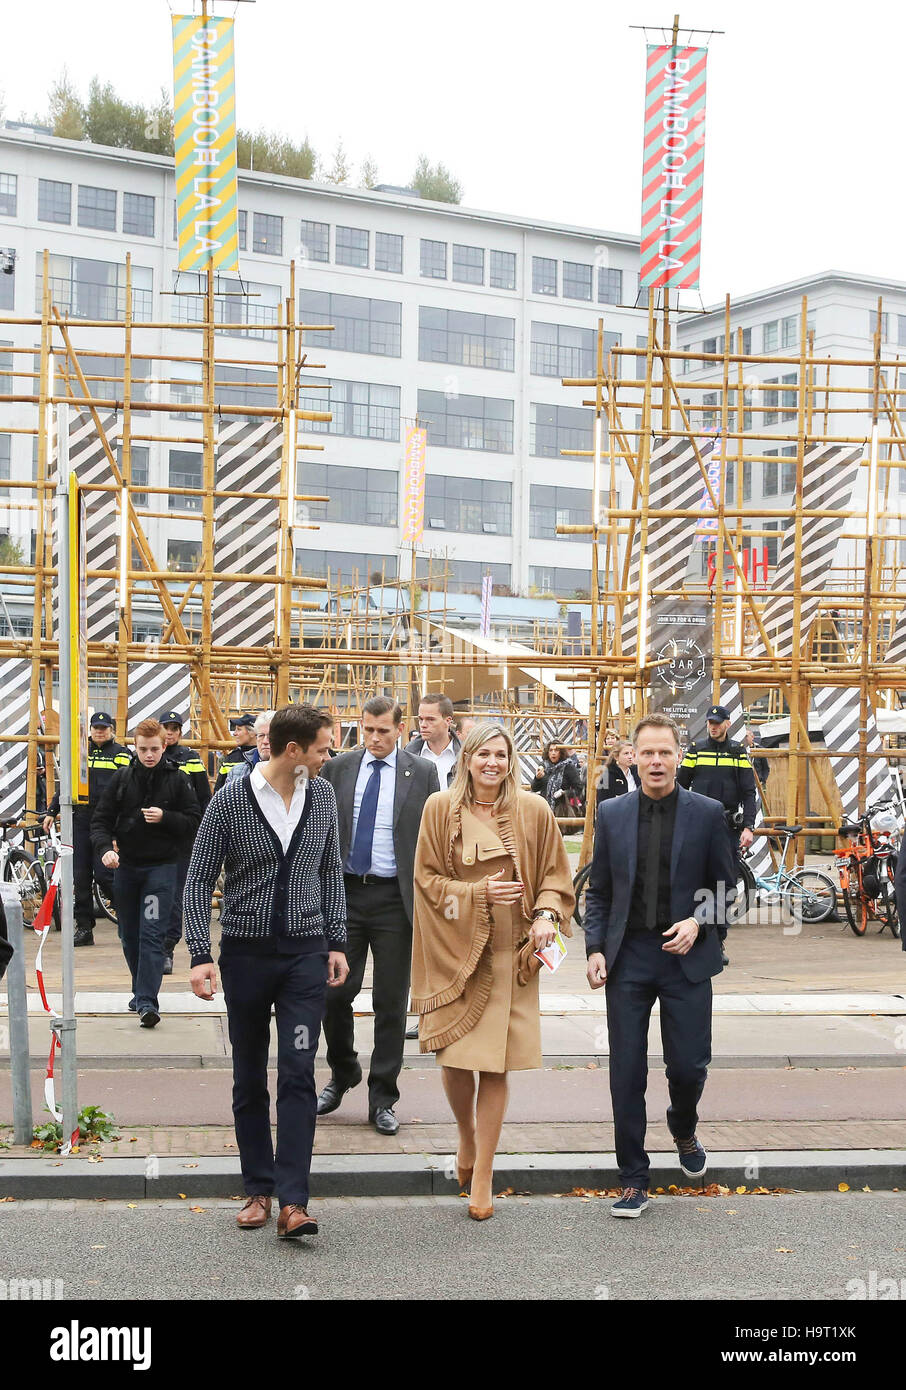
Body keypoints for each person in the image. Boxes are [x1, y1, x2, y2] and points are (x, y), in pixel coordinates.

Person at [184, 704, 348, 1240]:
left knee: (298, 1070)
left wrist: (336, 942)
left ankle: (293, 1201)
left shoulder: (321, 796)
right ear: (293, 750)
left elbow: (330, 873)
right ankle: (258, 1186)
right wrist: (200, 955)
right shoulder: (230, 798)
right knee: (249, 1073)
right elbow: (197, 880)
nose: (330, 756)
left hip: (304, 955)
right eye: (324, 747)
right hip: (247, 956)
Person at [411, 723, 575, 1220]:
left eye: (501, 755)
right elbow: (427, 879)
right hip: (457, 952)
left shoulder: (535, 810)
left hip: (512, 954)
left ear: (511, 761)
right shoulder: (440, 808)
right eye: (484, 753)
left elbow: (554, 875)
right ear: (468, 758)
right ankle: (466, 1136)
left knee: (497, 1065)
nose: (492, 763)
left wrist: (547, 916)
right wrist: (477, 894)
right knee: (457, 1061)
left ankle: (484, 1172)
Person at [584, 712, 737, 1219]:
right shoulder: (612, 813)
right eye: (646, 752)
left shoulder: (708, 812)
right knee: (626, 1071)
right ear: (634, 756)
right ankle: (632, 1177)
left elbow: (730, 888)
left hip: (687, 958)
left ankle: (682, 1124)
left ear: (679, 757)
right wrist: (595, 949)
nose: (655, 761)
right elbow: (600, 891)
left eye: (664, 752)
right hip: (629, 957)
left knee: (689, 1066)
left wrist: (697, 922)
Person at [317, 696, 439, 1135]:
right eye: (367, 730)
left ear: (400, 729)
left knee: (390, 1002)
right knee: (333, 992)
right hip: (344, 897)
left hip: (395, 901)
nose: (374, 739)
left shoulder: (421, 773)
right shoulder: (339, 768)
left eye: (383, 731)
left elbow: (435, 835)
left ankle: (382, 1095)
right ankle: (344, 1070)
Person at [91, 719, 200, 1027]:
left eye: (154, 749)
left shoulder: (177, 780)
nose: (149, 755)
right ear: (134, 747)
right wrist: (105, 850)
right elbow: (100, 821)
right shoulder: (122, 779)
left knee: (152, 934)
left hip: (161, 869)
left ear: (164, 747)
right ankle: (140, 992)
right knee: (129, 935)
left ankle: (147, 1002)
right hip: (127, 867)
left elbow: (194, 820)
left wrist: (166, 817)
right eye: (143, 749)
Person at [677, 704, 757, 965]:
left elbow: (748, 792)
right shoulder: (696, 750)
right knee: (692, 881)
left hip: (726, 828)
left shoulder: (737, 752)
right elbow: (680, 786)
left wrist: (748, 827)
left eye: (717, 722)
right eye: (710, 721)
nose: (713, 725)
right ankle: (691, 935)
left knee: (724, 885)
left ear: (727, 723)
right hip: (696, 827)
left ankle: (719, 940)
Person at [43, 712, 131, 947]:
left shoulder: (122, 754)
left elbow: (131, 787)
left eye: (104, 727)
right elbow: (67, 785)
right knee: (80, 877)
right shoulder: (80, 752)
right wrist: (52, 811)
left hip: (108, 821)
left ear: (111, 729)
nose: (99, 731)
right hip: (80, 819)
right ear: (90, 730)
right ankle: (84, 928)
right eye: (96, 727)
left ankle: (127, 920)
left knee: (105, 874)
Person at [158, 709, 212, 977]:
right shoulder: (150, 756)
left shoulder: (190, 759)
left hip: (183, 837)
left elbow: (205, 797)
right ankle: (153, 948)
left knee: (176, 894)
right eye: (166, 727)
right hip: (154, 839)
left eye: (174, 728)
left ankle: (167, 948)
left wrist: (204, 831)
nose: (170, 732)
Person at [405, 693, 461, 788]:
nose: (423, 724)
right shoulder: (408, 754)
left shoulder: (465, 755)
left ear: (448, 721)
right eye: (420, 719)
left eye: (430, 719)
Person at [531, 741, 584, 819]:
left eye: (556, 750)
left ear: (561, 752)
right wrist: (537, 778)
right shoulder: (543, 766)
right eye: (551, 750)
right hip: (544, 809)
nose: (553, 753)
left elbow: (579, 788)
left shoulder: (568, 767)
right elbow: (534, 788)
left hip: (562, 810)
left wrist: (564, 793)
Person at [213, 714, 258, 791]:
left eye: (239, 729)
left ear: (252, 733)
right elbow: (218, 791)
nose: (234, 733)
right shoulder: (230, 759)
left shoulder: (265, 756)